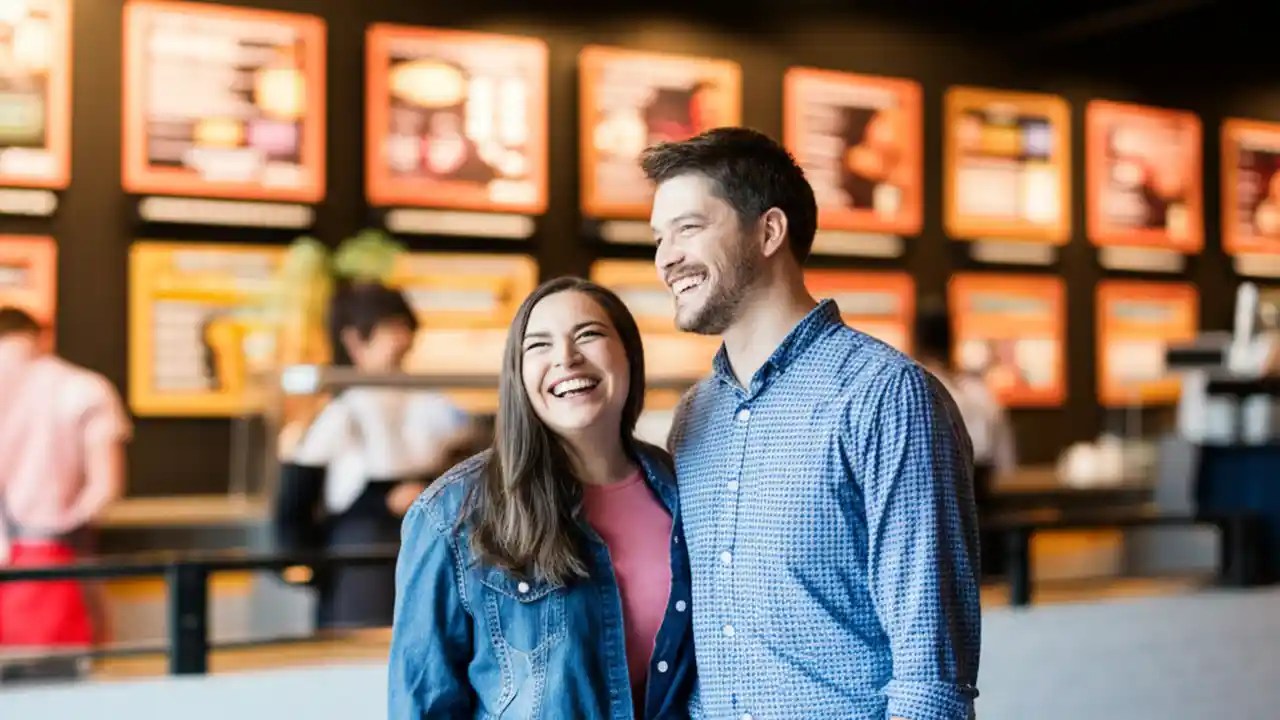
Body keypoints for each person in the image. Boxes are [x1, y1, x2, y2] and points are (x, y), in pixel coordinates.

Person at [643, 127, 981, 720]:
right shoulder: (695, 417)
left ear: (769, 230)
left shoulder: (884, 395)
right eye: (659, 236)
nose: (665, 256)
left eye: (688, 228)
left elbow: (930, 676)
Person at [387, 277, 696, 719]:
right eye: (539, 346)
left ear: (628, 354)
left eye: (588, 335)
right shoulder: (451, 515)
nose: (566, 358)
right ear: (519, 374)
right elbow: (422, 705)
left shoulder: (686, 491)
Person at [274, 282, 474, 629]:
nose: (400, 340)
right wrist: (314, 573)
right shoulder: (340, 412)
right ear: (354, 339)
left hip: (426, 552)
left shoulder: (429, 402)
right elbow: (293, 509)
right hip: (362, 564)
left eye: (404, 328)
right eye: (389, 328)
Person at [0, 306, 131, 648]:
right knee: (59, 683)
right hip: (53, 557)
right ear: (42, 336)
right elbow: (105, 486)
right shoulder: (83, 388)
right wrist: (61, 527)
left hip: (26, 551)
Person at [914, 298, 1016, 578]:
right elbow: (1006, 462)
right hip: (983, 514)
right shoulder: (980, 394)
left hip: (931, 522)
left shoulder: (910, 392)